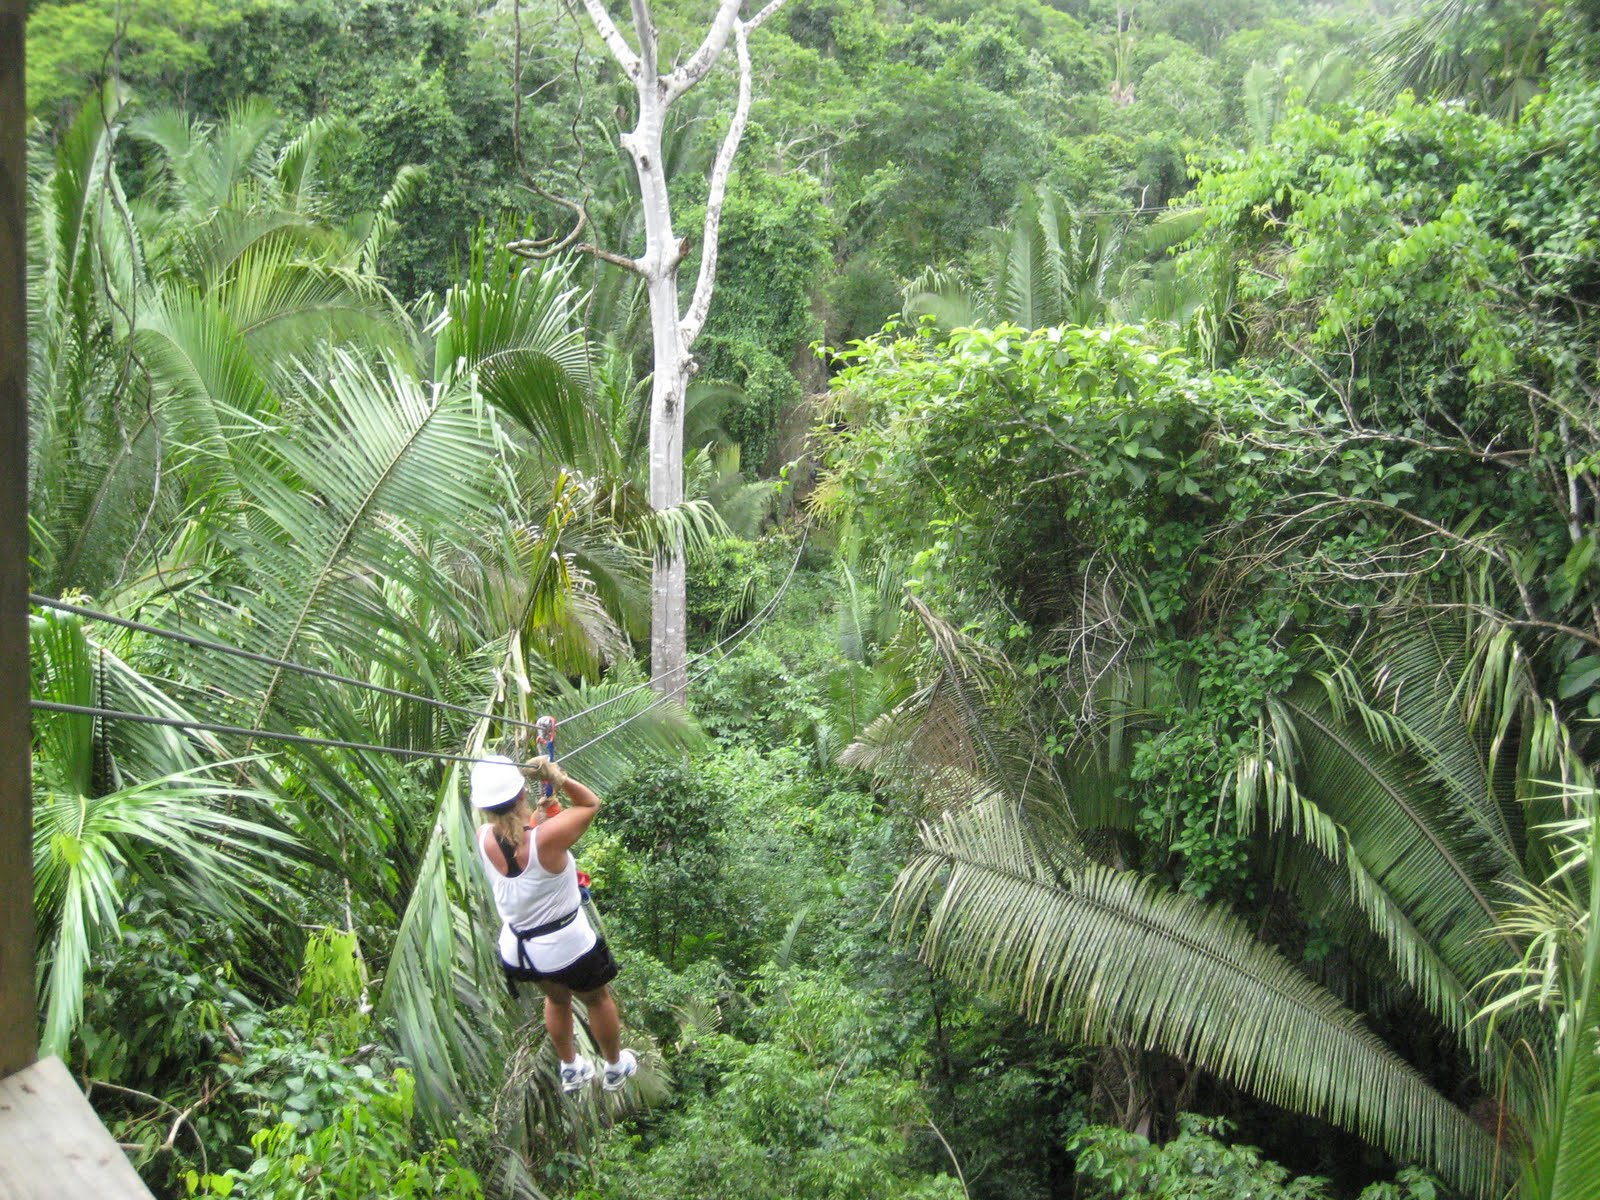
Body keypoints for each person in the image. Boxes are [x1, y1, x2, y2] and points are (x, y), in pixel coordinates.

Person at [470, 753, 637, 1093]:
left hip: (520, 950)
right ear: (520, 794)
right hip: (565, 947)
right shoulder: (545, 839)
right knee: (597, 999)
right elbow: (590, 805)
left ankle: (570, 1066)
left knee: (557, 999)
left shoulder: (484, 836)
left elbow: (519, 842)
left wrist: (537, 818)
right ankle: (615, 1065)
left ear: (485, 808)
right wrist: (560, 780)